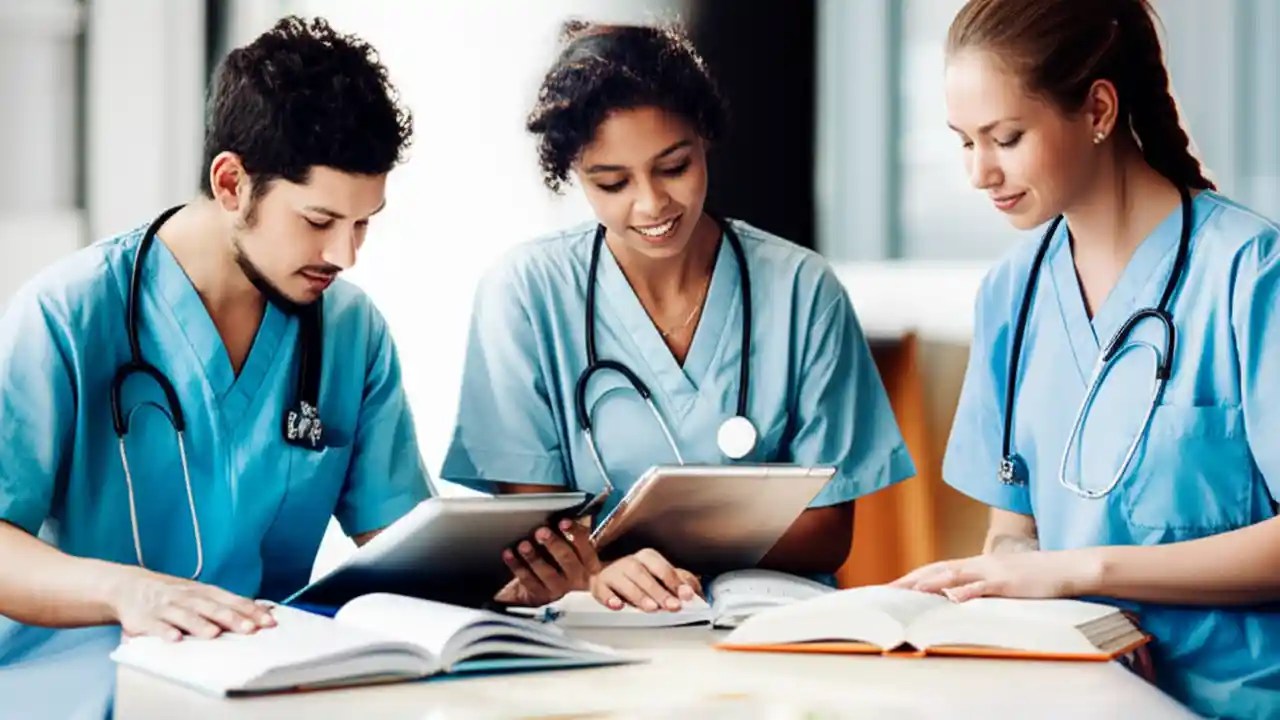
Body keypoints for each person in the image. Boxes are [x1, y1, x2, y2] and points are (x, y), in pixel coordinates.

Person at [0, 17, 431, 719]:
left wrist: (512, 574)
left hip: (264, 677)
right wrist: (128, 592)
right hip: (82, 678)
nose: (347, 255)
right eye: (319, 221)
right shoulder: (66, 314)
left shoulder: (352, 334)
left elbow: (403, 545)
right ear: (231, 183)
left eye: (364, 223)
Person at [442, 20, 915, 613]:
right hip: (596, 621)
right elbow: (535, 538)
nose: (652, 203)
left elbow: (826, 534)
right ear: (575, 176)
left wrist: (628, 556)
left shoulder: (803, 290)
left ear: (705, 138)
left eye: (673, 167)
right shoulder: (524, 294)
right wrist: (605, 573)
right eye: (612, 182)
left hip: (764, 625)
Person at [890, 1, 1280, 717]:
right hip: (1076, 696)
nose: (980, 173)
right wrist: (1010, 588)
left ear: (1098, 109)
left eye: (1005, 137)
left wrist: (1079, 575)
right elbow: (1015, 528)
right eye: (964, 142)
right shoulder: (1014, 292)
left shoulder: (1251, 275)